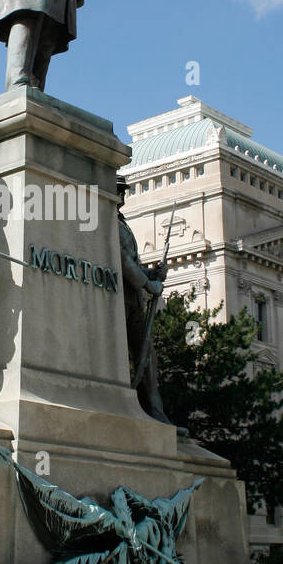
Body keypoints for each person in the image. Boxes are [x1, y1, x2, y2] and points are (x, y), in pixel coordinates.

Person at [117, 176, 171, 424]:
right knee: (135, 357)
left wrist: (152, 273)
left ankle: (155, 411)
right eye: (118, 191)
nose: (122, 196)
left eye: (123, 191)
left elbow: (133, 263)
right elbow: (124, 262)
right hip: (120, 301)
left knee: (146, 356)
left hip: (133, 299)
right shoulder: (109, 221)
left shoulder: (121, 223)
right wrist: (149, 284)